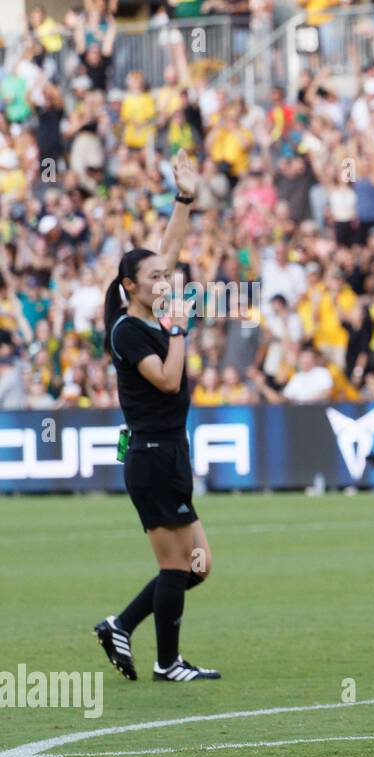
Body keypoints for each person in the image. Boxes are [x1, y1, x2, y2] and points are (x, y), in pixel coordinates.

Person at [93, 150, 220, 682]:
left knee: (197, 565)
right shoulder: (129, 330)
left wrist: (184, 198)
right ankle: (166, 661)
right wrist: (181, 330)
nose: (165, 280)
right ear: (131, 286)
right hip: (152, 453)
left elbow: (166, 249)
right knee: (179, 566)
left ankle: (123, 626)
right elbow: (167, 380)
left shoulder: (150, 308)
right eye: (155, 278)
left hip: (167, 450)